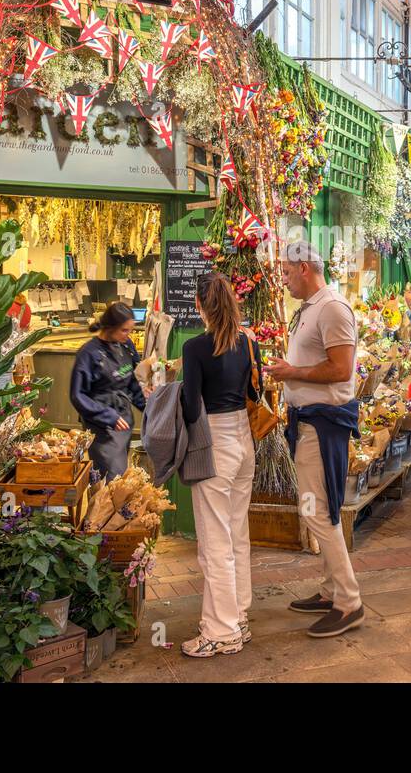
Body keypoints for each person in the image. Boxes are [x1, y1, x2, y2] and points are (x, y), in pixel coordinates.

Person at [266, 241, 364, 638]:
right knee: (321, 508)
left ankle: (349, 603)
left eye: (287, 273)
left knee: (317, 513)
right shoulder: (309, 310)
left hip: (323, 425)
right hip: (307, 422)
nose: (284, 281)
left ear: (304, 267)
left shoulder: (333, 309)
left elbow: (341, 370)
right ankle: (330, 591)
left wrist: (293, 373)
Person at [177, 272, 261, 658]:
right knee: (236, 533)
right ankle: (238, 616)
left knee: (214, 543)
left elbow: (192, 407)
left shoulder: (194, 348)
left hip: (215, 445)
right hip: (245, 443)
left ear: (199, 306)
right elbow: (253, 393)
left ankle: (220, 631)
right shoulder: (248, 343)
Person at [70, 303, 147, 478]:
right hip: (101, 425)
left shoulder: (125, 346)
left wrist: (148, 407)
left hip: (123, 421)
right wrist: (107, 416)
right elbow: (77, 395)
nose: (129, 335)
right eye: (125, 330)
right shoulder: (89, 353)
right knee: (110, 477)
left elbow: (131, 383)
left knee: (120, 476)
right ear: (110, 328)